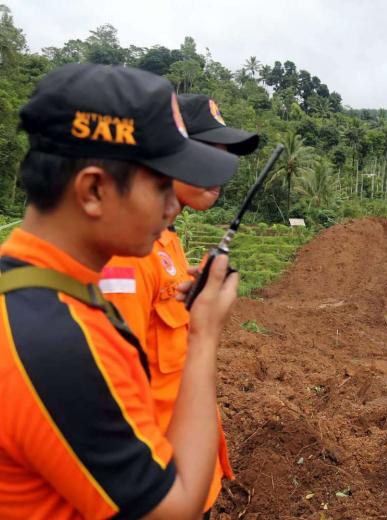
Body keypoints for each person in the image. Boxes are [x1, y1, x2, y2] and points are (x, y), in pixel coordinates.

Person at [0, 63, 238, 519]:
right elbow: (175, 508)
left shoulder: (41, 298)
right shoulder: (55, 345)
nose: (173, 207)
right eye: (160, 186)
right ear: (92, 190)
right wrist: (204, 333)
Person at [100, 93, 259, 513]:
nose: (218, 171)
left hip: (189, 477)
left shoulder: (166, 241)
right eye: (207, 153)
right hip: (159, 491)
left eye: (224, 157)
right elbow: (113, 397)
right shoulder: (127, 254)